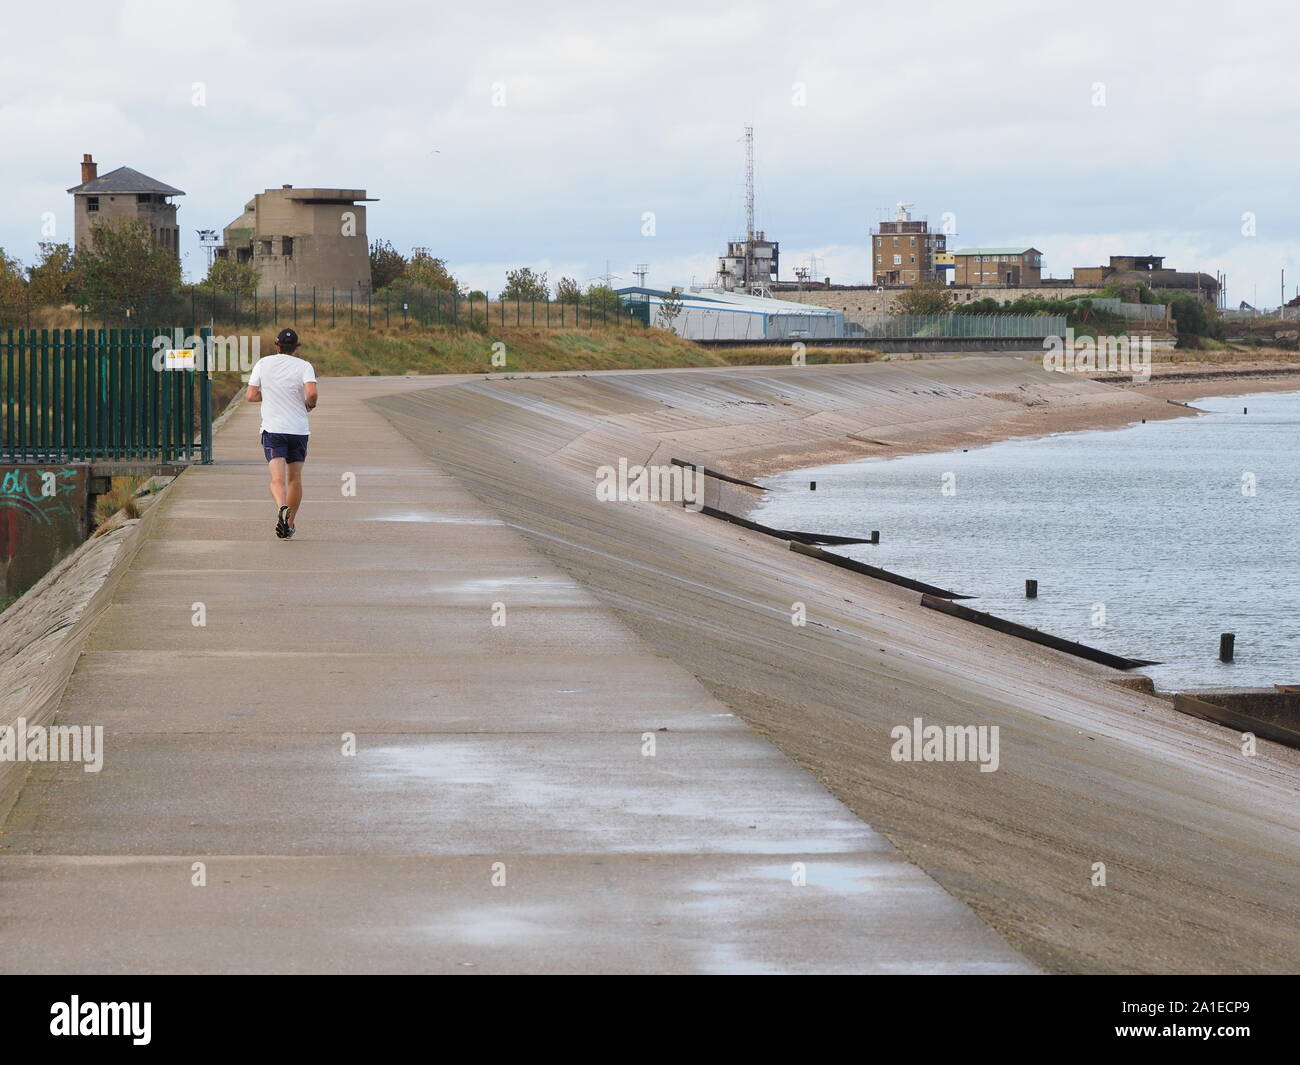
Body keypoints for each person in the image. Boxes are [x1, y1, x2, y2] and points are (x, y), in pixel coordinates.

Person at [246, 328, 317, 539]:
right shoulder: (305, 366)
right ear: (297, 347)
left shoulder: (263, 363)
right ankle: (290, 523)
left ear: (276, 346)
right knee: (294, 479)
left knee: (277, 480)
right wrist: (309, 404)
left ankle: (281, 507)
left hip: (273, 430)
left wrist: (267, 396)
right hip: (298, 430)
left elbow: (250, 395)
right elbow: (311, 392)